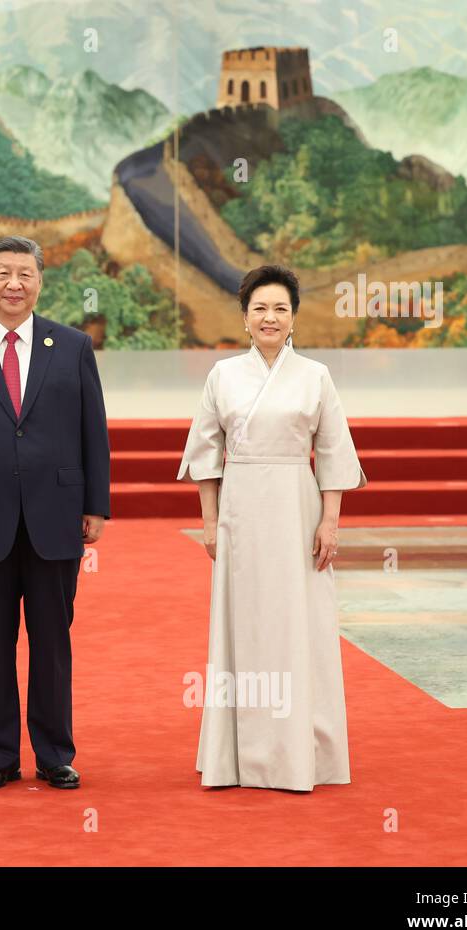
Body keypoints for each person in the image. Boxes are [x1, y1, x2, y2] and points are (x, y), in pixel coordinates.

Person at [0, 235, 110, 790]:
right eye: (4, 273)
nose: (14, 284)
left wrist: (95, 504)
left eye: (25, 274)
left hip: (56, 515)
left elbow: (92, 432)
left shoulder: (73, 346)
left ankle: (55, 753)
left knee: (54, 641)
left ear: (39, 282)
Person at [177, 264, 367, 792]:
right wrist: (210, 522)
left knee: (298, 622)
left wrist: (330, 521)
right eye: (259, 308)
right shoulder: (223, 375)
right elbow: (205, 453)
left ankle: (301, 753)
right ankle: (237, 756)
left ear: (293, 318)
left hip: (297, 507)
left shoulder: (315, 376)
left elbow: (332, 452)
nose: (269, 317)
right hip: (240, 509)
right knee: (245, 621)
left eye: (280, 308)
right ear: (244, 318)